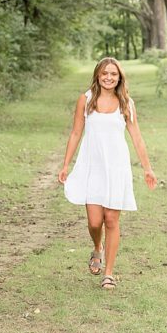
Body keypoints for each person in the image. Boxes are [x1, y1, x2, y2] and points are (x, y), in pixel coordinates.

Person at [57, 57, 155, 290]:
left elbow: (137, 137)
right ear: (98, 75)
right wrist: (65, 164)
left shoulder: (126, 103)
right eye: (105, 73)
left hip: (116, 167)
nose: (109, 77)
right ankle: (97, 247)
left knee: (111, 219)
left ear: (119, 78)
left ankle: (108, 274)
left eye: (113, 74)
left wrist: (147, 168)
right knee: (94, 222)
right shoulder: (86, 100)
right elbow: (75, 133)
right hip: (92, 166)